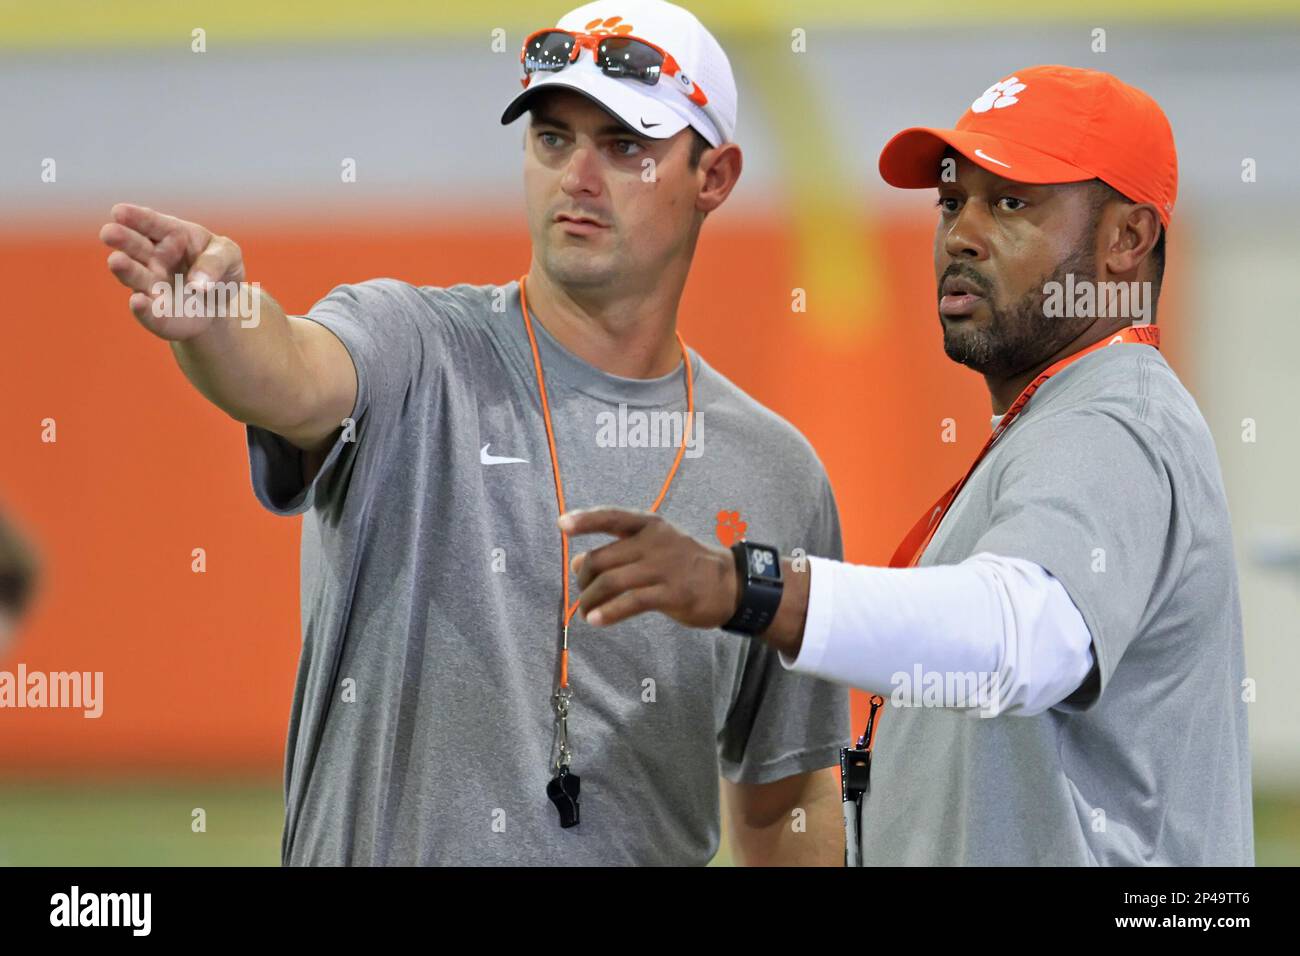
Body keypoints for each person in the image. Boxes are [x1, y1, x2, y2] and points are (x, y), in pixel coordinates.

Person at [97, 0, 850, 865]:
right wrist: (220, 320)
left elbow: (782, 795)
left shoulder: (778, 474)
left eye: (624, 146)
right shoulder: (413, 347)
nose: (577, 176)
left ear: (714, 177)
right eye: (553, 138)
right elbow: (290, 374)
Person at [559, 65, 1254, 866]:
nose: (961, 233)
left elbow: (1023, 638)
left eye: (1012, 203)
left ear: (1127, 240)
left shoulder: (1112, 419)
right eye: (952, 202)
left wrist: (746, 588)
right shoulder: (1062, 422)